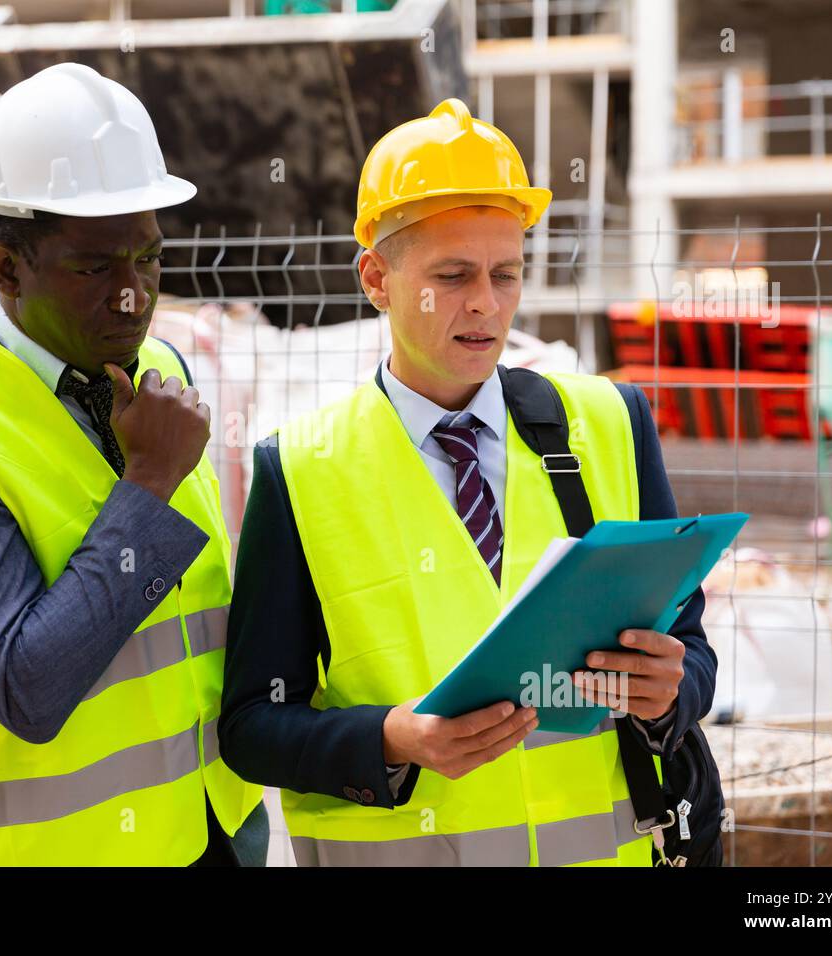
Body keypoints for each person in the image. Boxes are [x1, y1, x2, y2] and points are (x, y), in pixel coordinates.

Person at [219, 98, 716, 866]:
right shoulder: (301, 469)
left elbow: (689, 653)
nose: (486, 302)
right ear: (377, 279)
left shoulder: (611, 424)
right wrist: (393, 740)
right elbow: (253, 727)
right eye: (452, 276)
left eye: (506, 273)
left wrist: (666, 697)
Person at [0, 62, 265, 866]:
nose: (133, 295)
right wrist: (148, 486)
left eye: (146, 259)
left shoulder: (160, 371)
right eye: (94, 267)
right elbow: (26, 685)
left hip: (216, 835)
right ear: (8, 269)